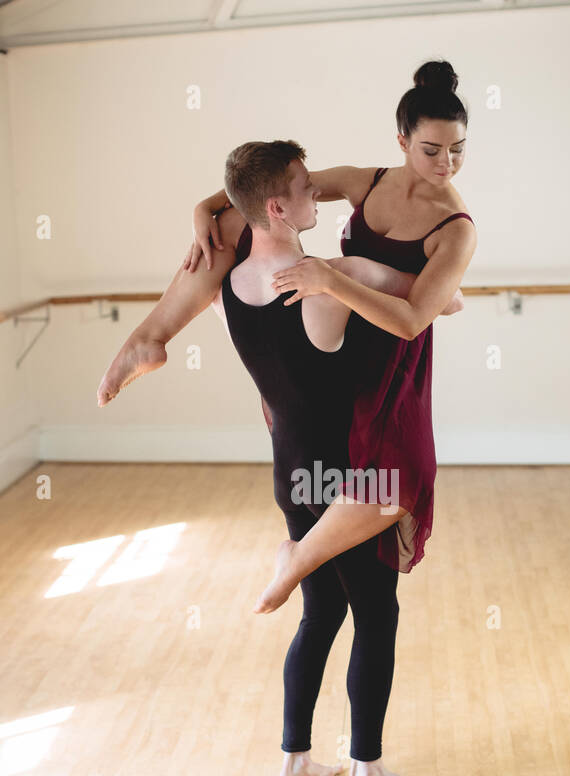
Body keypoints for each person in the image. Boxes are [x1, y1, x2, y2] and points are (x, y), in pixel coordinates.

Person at [96, 61, 476, 609]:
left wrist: (332, 277)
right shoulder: (363, 181)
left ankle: (297, 558)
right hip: (337, 313)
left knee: (396, 487)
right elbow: (269, 194)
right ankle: (152, 335)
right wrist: (206, 205)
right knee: (234, 227)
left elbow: (416, 318)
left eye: (458, 149)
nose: (447, 163)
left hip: (390, 329)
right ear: (403, 141)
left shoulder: (456, 227)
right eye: (432, 149)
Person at [197, 138, 444, 776]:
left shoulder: (229, 289)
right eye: (307, 188)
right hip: (346, 480)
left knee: (322, 613)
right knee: (376, 614)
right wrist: (370, 270)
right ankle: (367, 772)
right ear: (278, 208)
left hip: (289, 473)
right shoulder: (331, 280)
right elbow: (435, 305)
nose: (318, 195)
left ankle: (294, 761)